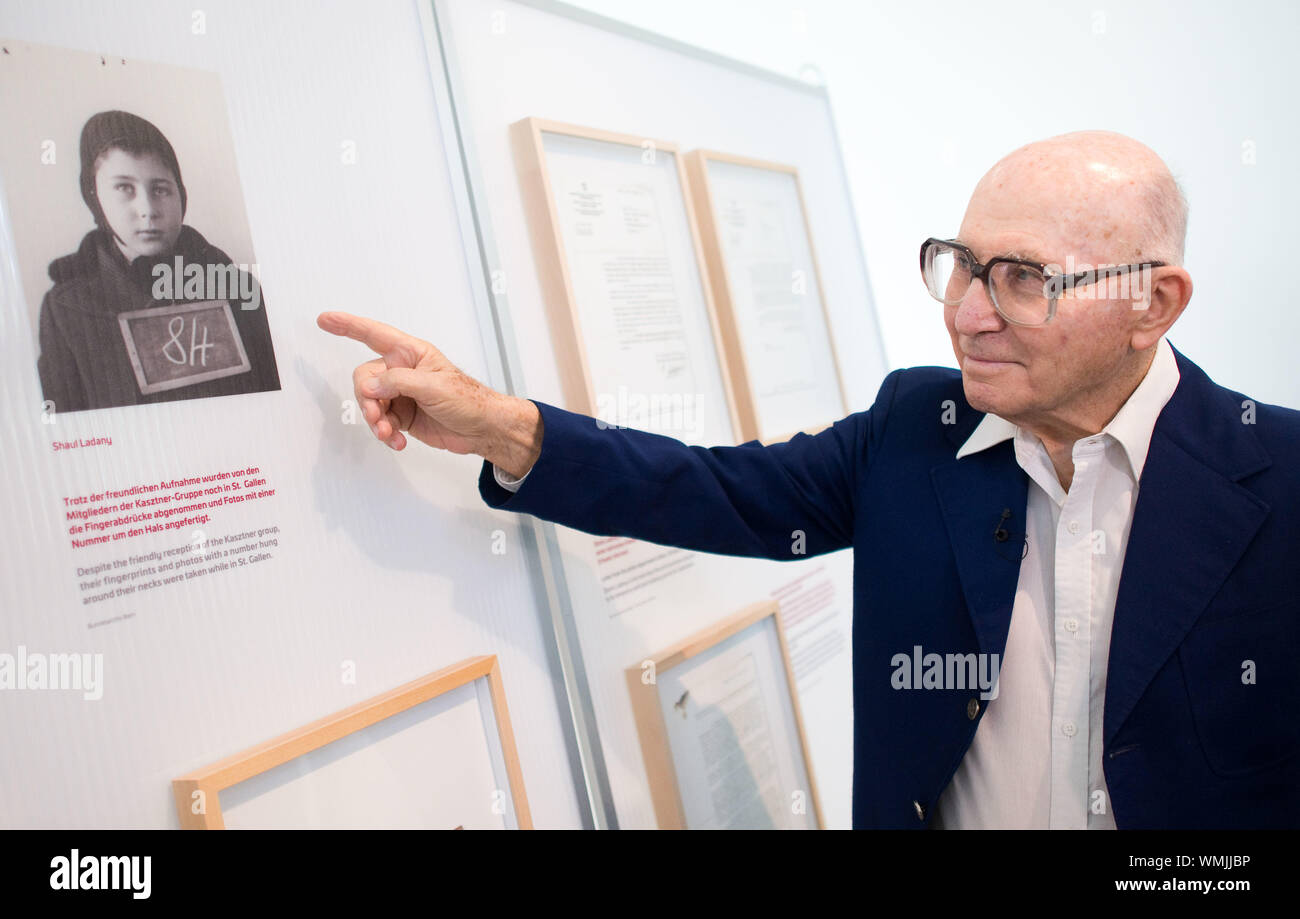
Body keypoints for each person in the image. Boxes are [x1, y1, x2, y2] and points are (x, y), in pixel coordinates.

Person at [317, 130, 1300, 829]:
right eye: (958, 266)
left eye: (1022, 279)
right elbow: (718, 491)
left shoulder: (1281, 478)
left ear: (1151, 304)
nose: (964, 314)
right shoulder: (918, 427)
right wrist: (501, 424)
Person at [37, 109, 280, 414]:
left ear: (181, 195)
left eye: (160, 189)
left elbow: (271, 402)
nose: (147, 209)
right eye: (125, 188)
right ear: (95, 197)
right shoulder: (66, 309)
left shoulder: (236, 288)